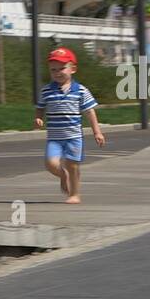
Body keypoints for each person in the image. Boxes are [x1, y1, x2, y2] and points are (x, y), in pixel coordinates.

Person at [34, 47, 105, 204]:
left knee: (73, 166)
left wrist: (97, 132)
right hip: (54, 138)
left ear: (73, 69)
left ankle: (74, 194)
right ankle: (62, 175)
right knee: (51, 164)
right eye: (53, 70)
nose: (58, 72)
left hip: (74, 137)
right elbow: (40, 107)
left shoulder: (80, 90)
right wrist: (38, 118)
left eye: (62, 68)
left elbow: (90, 112)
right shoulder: (46, 91)